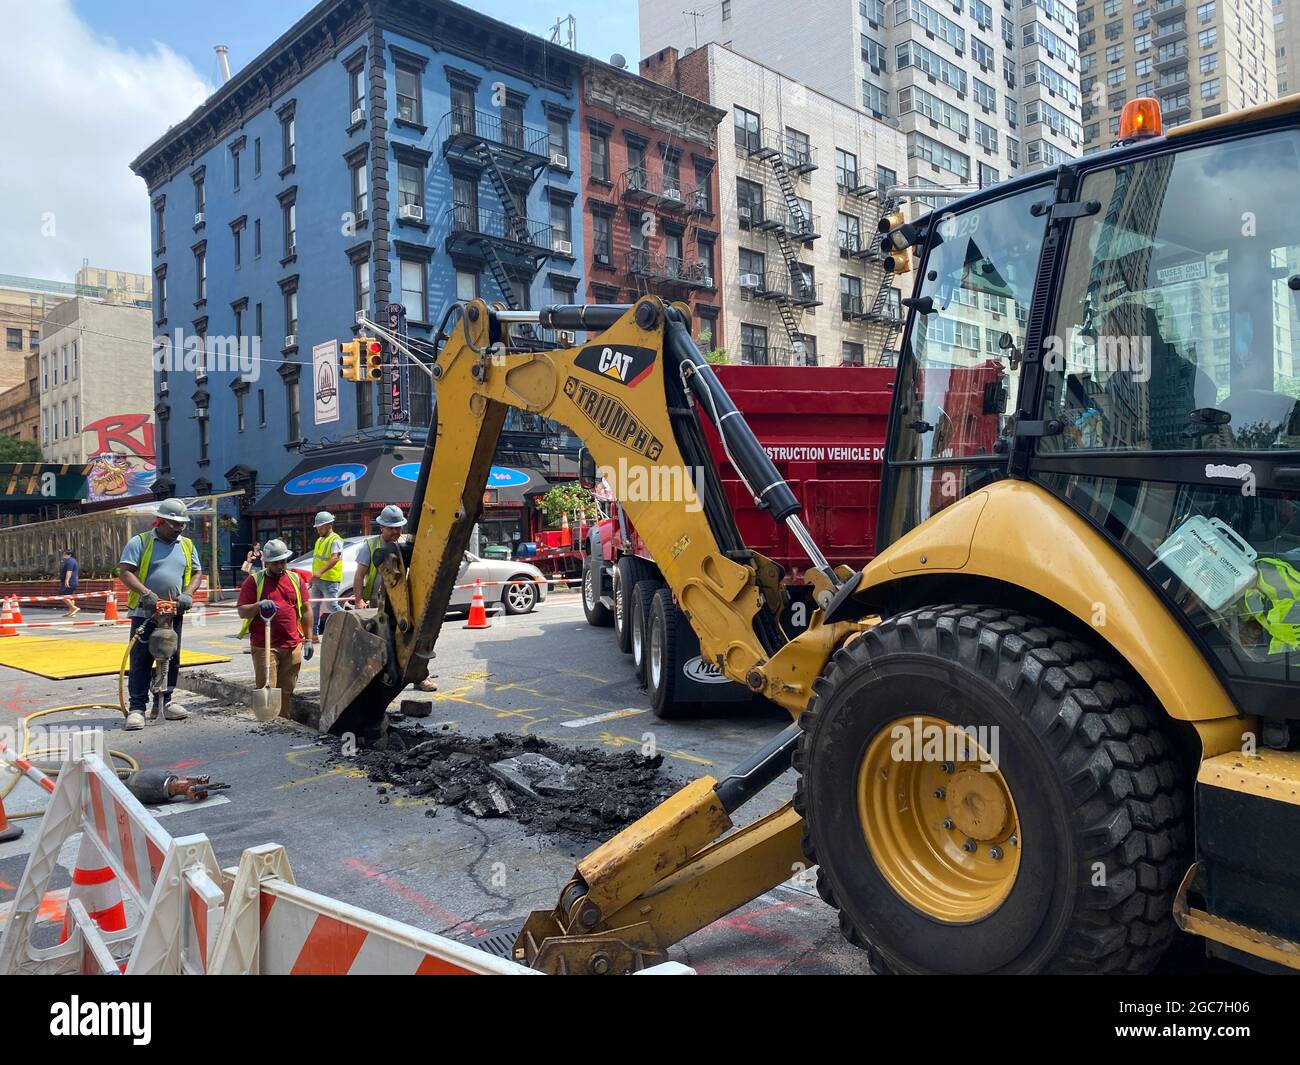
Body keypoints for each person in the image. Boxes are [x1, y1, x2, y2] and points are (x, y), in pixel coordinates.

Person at [118, 499, 203, 730]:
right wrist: (145, 592)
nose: (178, 528)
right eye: (174, 524)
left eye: (182, 524)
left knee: (171, 657)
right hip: (145, 613)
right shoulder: (141, 542)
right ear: (161, 520)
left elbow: (197, 572)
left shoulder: (186, 545)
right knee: (141, 658)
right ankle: (137, 707)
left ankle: (165, 701)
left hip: (173, 612)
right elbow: (125, 572)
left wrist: (187, 593)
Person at [352, 505, 436, 693]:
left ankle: (420, 677)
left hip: (403, 603)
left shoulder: (406, 545)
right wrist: (359, 600)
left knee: (412, 638)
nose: (396, 532)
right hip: (378, 603)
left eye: (399, 528)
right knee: (380, 642)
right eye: (391, 528)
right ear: (381, 527)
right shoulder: (371, 546)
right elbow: (359, 576)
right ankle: (376, 681)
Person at [236, 538, 310, 715]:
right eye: (276, 563)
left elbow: (306, 609)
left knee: (287, 692)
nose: (281, 566)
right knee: (267, 688)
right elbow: (242, 611)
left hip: (292, 644)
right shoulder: (254, 581)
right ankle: (269, 725)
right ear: (267, 562)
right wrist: (258, 605)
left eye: (283, 561)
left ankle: (284, 725)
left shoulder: (295, 580)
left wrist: (308, 639)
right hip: (265, 646)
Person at [309, 511, 344, 643]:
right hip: (318, 580)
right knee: (314, 607)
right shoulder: (320, 540)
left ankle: (349, 622)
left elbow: (335, 558)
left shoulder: (335, 540)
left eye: (320, 527)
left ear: (329, 525)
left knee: (332, 606)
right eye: (317, 527)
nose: (318, 530)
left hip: (330, 579)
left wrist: (319, 572)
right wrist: (315, 576)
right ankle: (313, 635)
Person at [59, 548, 79, 617]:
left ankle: (74, 608)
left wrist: (67, 580)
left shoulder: (70, 561)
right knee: (70, 596)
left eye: (64, 554)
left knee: (62, 595)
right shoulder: (72, 561)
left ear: (69, 555)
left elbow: (69, 571)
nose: (63, 555)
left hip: (70, 581)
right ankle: (71, 612)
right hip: (73, 581)